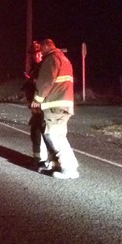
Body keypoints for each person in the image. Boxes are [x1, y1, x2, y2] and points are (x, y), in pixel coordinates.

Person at [30, 38, 80, 179]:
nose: (40, 51)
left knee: (53, 136)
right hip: (63, 104)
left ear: (46, 46)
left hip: (55, 105)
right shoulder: (63, 59)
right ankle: (57, 165)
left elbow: (45, 81)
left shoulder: (51, 59)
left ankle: (69, 168)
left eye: (41, 48)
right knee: (57, 135)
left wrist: (37, 100)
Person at [20, 41, 51, 170]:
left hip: (44, 106)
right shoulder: (35, 68)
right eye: (33, 54)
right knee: (35, 132)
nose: (35, 56)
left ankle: (46, 160)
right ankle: (38, 158)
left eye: (37, 54)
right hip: (36, 106)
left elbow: (44, 85)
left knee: (44, 132)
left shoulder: (45, 66)